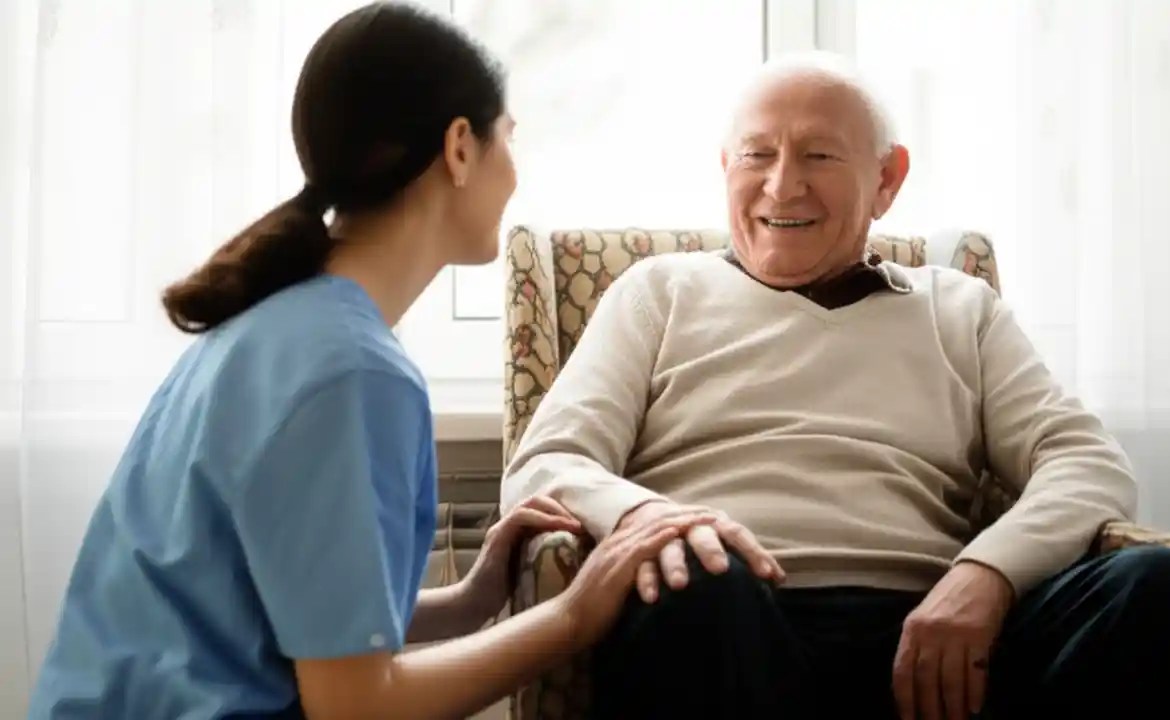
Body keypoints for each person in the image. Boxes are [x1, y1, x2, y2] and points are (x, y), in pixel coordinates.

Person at [501, 52, 1170, 720]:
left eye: (818, 154)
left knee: (1169, 590)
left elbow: (1087, 463)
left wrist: (986, 577)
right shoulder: (658, 293)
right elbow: (548, 464)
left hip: (938, 648)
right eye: (756, 154)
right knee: (696, 585)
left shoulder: (960, 309)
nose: (781, 183)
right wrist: (666, 523)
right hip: (727, 621)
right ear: (726, 165)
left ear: (887, 179)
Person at [26, 4, 715, 719]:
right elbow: (356, 707)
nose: (515, 172)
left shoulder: (270, 326)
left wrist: (472, 599)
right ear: (458, 147)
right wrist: (572, 618)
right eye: (507, 140)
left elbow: (271, 614)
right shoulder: (353, 373)